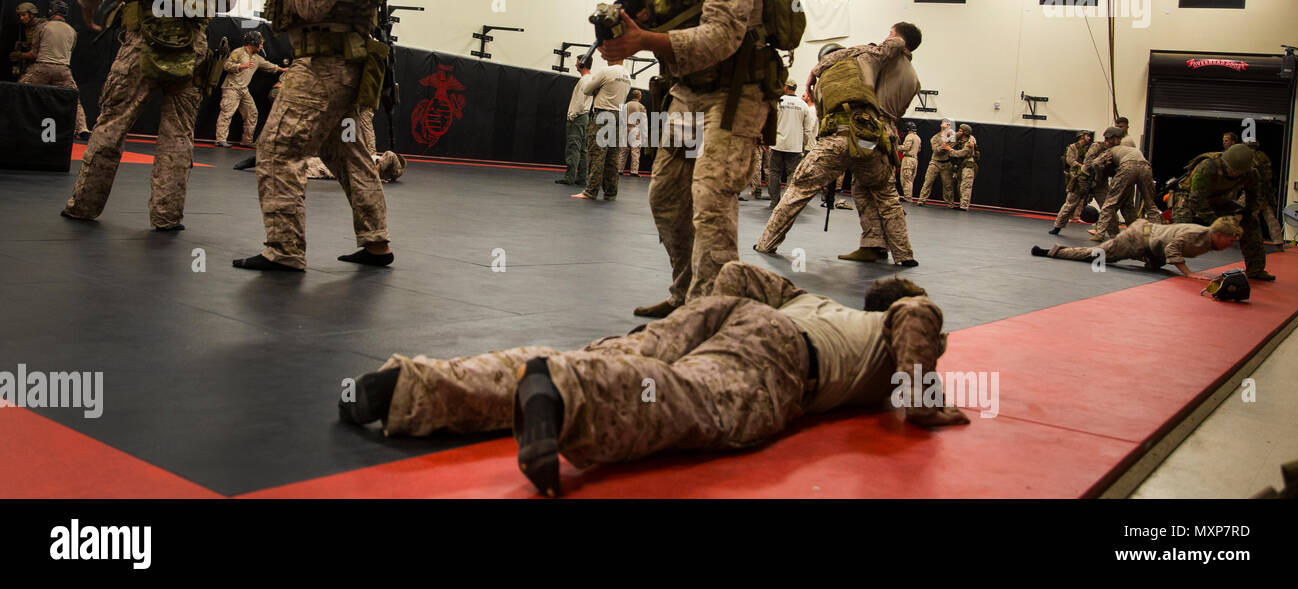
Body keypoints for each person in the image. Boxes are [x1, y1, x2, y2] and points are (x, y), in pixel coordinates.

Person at [339, 260, 967, 498]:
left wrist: (703, 323)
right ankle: (561, 395)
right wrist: (925, 403)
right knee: (693, 399)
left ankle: (411, 387)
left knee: (610, 354)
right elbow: (916, 318)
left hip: (732, 317)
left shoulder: (814, 300)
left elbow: (739, 274)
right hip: (781, 355)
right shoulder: (903, 318)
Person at [596, 0, 779, 318]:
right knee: (667, 197)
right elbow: (655, 21)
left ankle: (709, 315)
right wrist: (622, 32)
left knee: (711, 196)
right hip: (687, 93)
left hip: (736, 93)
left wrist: (645, 40)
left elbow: (721, 36)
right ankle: (686, 295)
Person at [234, 0, 392, 271]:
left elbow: (310, 3)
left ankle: (284, 250)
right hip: (345, 67)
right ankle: (376, 243)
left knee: (276, 150)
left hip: (324, 67)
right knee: (348, 153)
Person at [62, 0, 233, 231]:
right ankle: (167, 217)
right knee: (179, 137)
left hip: (143, 44)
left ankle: (84, 207)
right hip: (191, 49)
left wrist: (89, 7)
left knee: (111, 126)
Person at [755, 26, 920, 267]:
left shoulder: (876, 55)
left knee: (800, 187)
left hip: (846, 132)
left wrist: (814, 72)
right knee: (880, 193)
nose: (886, 36)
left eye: (890, 33)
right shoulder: (914, 78)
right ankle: (892, 251)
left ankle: (766, 242)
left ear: (897, 38)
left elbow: (828, 113)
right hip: (878, 140)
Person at [1172, 143, 1273, 281]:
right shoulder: (1208, 166)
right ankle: (1157, 256)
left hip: (1216, 198)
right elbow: (1197, 201)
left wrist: (1243, 215)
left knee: (1251, 222)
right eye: (1231, 170)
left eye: (1238, 172)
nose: (1234, 174)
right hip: (1188, 195)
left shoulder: (1250, 172)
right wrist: (1219, 225)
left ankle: (1256, 269)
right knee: (1181, 226)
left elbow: (1253, 199)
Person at [1032, 217, 1242, 279]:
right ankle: (1052, 251)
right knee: (1097, 256)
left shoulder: (1209, 239)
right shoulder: (1198, 235)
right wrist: (1189, 274)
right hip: (1140, 237)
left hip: (1151, 245)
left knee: (1155, 265)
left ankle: (1150, 260)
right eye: (1230, 240)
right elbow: (1172, 250)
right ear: (1218, 235)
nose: (1231, 245)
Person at [14, 0, 90, 139]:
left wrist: (19, 55)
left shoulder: (43, 27)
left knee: (21, 90)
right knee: (74, 98)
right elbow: (70, 51)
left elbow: (34, 54)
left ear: (51, 11)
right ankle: (82, 130)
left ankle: (15, 123)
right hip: (63, 70)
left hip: (42, 67)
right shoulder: (72, 31)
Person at [572, 58, 631, 201]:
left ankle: (590, 191)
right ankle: (611, 193)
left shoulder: (606, 71)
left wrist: (597, 90)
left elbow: (586, 89)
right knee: (612, 157)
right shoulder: (627, 76)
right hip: (618, 115)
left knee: (596, 154)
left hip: (603, 114)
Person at [214, 30, 285, 147]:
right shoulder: (238, 52)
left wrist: (282, 69)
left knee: (252, 113)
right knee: (227, 113)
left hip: (243, 90)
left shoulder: (256, 58)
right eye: (260, 43)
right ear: (254, 41)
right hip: (232, 88)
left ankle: (246, 141)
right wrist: (241, 66)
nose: (262, 46)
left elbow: (268, 65)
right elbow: (226, 65)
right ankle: (220, 139)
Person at [1090, 126, 1162, 241]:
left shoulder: (1110, 150)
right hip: (1145, 167)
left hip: (1127, 168)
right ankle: (1159, 236)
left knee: (1109, 203)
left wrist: (1099, 177)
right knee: (1150, 205)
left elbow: (1095, 163)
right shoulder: (1131, 148)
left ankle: (1099, 233)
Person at [767, 78, 817, 209]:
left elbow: (770, 123)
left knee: (774, 172)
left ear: (785, 87)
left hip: (777, 144)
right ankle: (786, 204)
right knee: (791, 175)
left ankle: (774, 201)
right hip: (794, 147)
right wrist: (803, 144)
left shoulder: (778, 102)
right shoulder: (803, 105)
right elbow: (807, 129)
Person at [1049, 130, 1102, 235]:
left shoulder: (1090, 148)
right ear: (1081, 137)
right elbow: (1070, 160)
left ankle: (1101, 229)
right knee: (1069, 204)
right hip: (1077, 178)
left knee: (1103, 204)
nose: (1089, 138)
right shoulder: (1072, 148)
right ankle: (1057, 226)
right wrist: (1081, 166)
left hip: (1090, 178)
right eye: (1087, 136)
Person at [557, 63, 593, 185]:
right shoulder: (591, 79)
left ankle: (569, 177)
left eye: (578, 62)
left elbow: (580, 102)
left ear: (583, 63)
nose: (575, 64)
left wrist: (572, 116)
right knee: (583, 149)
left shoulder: (584, 80)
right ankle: (582, 178)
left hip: (578, 116)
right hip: (585, 117)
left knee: (573, 147)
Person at [1245, 141, 1285, 245]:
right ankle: (1278, 240)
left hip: (1255, 192)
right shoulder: (1263, 158)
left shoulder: (1251, 159)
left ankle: (1252, 239)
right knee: (1270, 217)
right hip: (1265, 192)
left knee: (1250, 216)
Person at [916, 119, 956, 206]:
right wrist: (944, 145)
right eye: (947, 124)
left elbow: (950, 149)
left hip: (946, 163)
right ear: (942, 125)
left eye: (950, 125)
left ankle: (950, 203)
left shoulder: (952, 138)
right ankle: (921, 200)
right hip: (935, 162)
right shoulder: (934, 138)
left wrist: (946, 144)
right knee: (928, 181)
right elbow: (936, 150)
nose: (948, 126)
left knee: (948, 185)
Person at [11, 2, 44, 80]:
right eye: (19, 16)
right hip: (32, 63)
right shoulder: (29, 27)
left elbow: (40, 50)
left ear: (32, 14)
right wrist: (23, 45)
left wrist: (20, 55)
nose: (21, 18)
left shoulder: (41, 27)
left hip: (41, 65)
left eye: (23, 15)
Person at [617, 88, 646, 176]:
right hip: (635, 128)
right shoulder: (641, 107)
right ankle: (634, 171)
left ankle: (619, 169)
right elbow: (643, 122)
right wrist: (643, 134)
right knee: (635, 151)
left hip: (625, 128)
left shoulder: (625, 105)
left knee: (623, 150)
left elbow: (620, 118)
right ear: (639, 97)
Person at [950, 123, 979, 211]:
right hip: (960, 166)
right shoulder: (959, 139)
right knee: (959, 186)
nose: (958, 132)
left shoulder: (970, 141)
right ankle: (962, 203)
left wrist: (950, 151)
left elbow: (963, 153)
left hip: (968, 166)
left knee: (966, 186)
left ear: (965, 133)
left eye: (960, 131)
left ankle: (964, 205)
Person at [897, 121, 921, 202]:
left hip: (908, 159)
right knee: (910, 179)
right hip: (915, 160)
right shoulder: (918, 137)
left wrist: (895, 147)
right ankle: (908, 196)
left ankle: (907, 197)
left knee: (906, 179)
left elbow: (906, 147)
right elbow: (919, 149)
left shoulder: (909, 136)